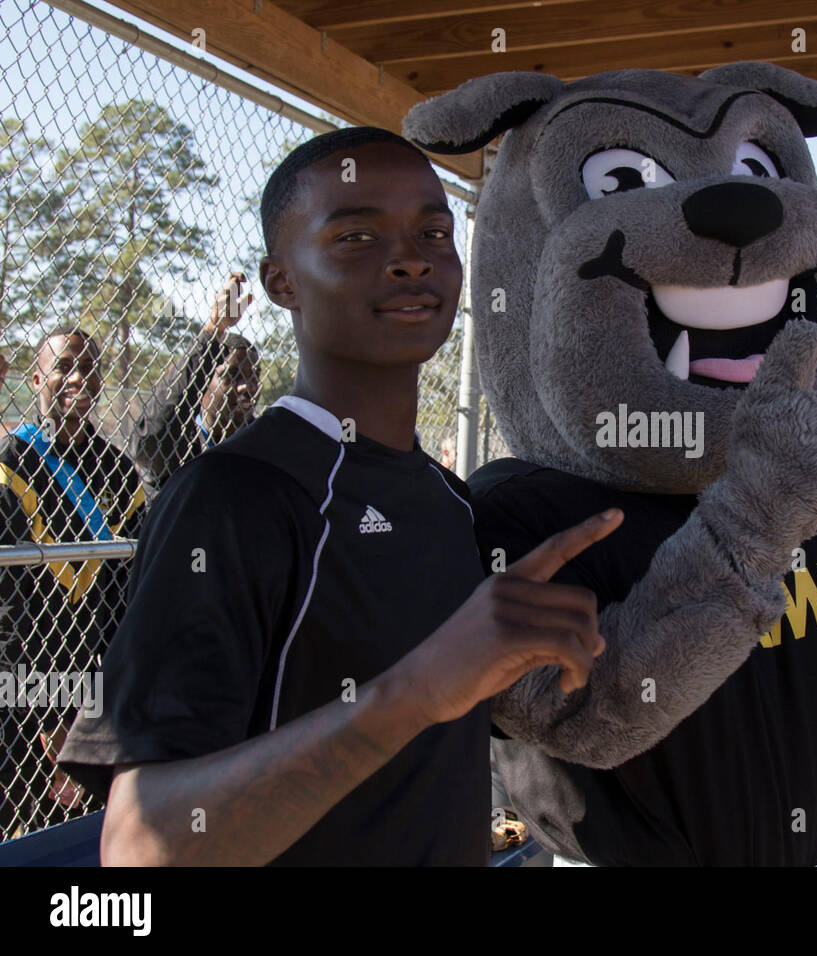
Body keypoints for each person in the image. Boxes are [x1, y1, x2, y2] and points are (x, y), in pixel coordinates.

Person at [56, 127, 621, 866]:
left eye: (434, 231)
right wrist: (416, 690)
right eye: (356, 234)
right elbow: (139, 848)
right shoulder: (232, 497)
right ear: (280, 280)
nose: (412, 255)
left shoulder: (449, 500)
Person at [0, 329, 145, 839]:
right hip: (21, 687)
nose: (77, 377)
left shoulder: (118, 471)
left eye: (89, 365)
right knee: (23, 830)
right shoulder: (10, 466)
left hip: (96, 687)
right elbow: (6, 613)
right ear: (37, 378)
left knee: (83, 836)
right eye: (63, 366)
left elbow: (131, 597)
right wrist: (46, 713)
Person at [129, 273, 260, 498]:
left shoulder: (262, 444)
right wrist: (214, 329)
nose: (245, 387)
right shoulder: (178, 443)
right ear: (204, 380)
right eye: (232, 375)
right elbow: (147, 440)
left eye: (253, 376)